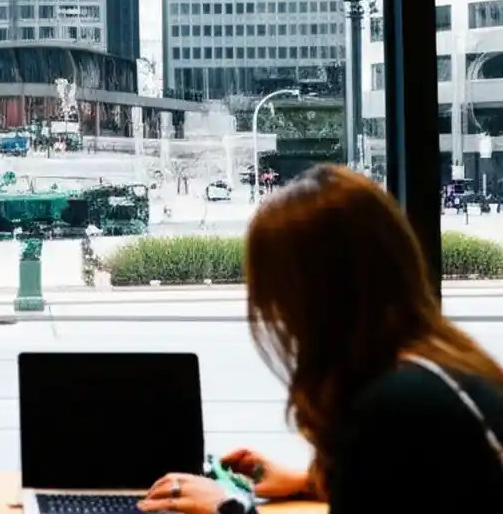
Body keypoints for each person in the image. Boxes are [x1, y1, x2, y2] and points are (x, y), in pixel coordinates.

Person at [139, 165, 503, 514]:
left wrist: (228, 508)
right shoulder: (448, 370)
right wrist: (314, 481)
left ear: (310, 297)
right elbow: (424, 490)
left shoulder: (394, 405)